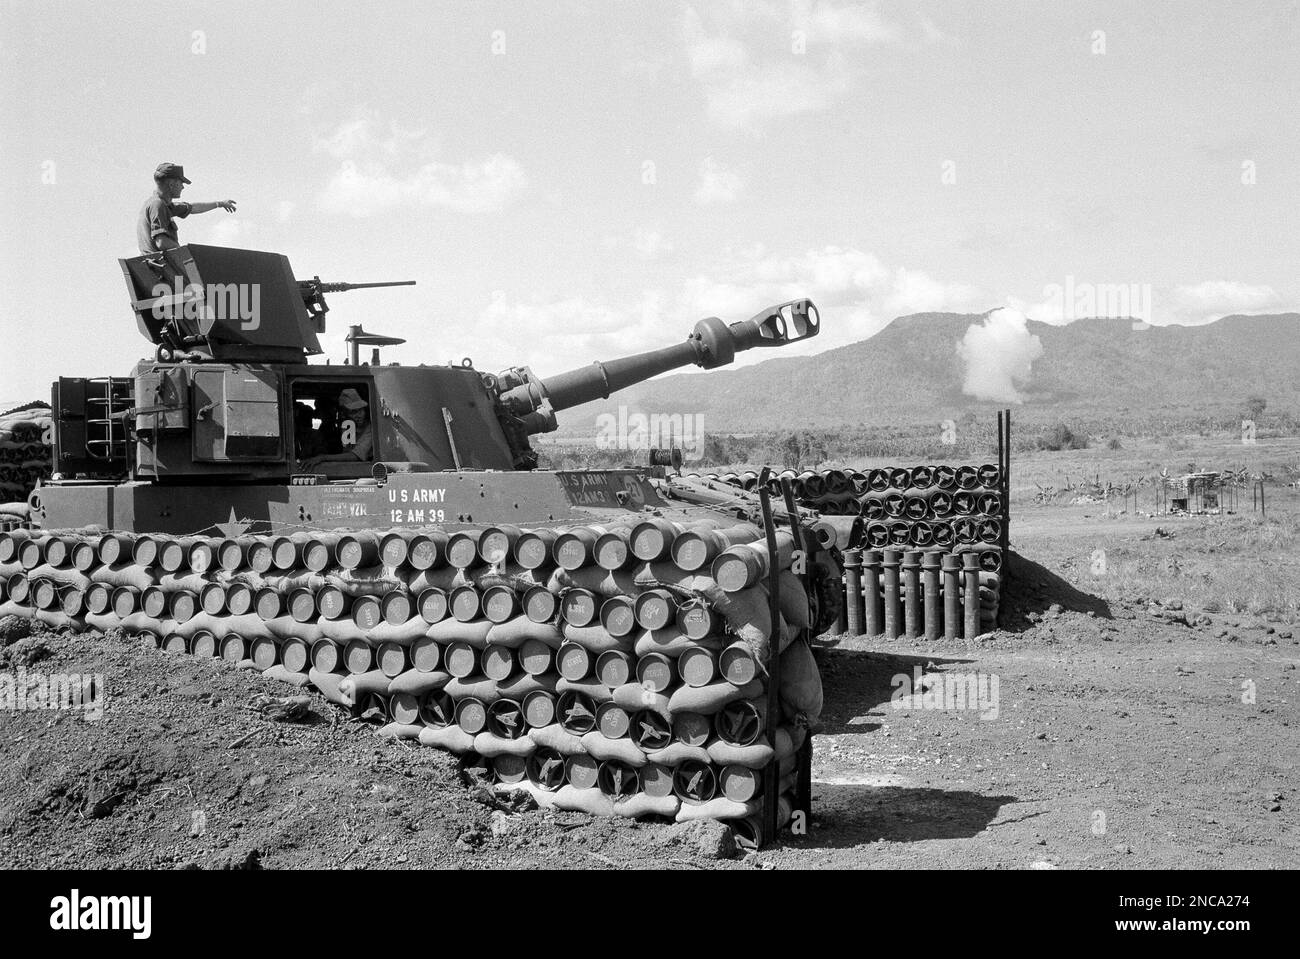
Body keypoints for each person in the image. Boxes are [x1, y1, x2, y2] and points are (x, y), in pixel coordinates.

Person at [137, 162, 236, 254]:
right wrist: (187, 253)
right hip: (162, 268)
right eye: (181, 183)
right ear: (171, 184)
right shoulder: (157, 205)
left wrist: (220, 204)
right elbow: (162, 242)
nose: (182, 187)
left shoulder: (163, 205)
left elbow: (193, 208)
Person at [300, 389, 373, 469]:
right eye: (353, 412)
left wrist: (322, 458)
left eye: (361, 410)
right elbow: (346, 452)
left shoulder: (371, 428)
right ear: (344, 414)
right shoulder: (348, 427)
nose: (359, 415)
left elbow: (355, 456)